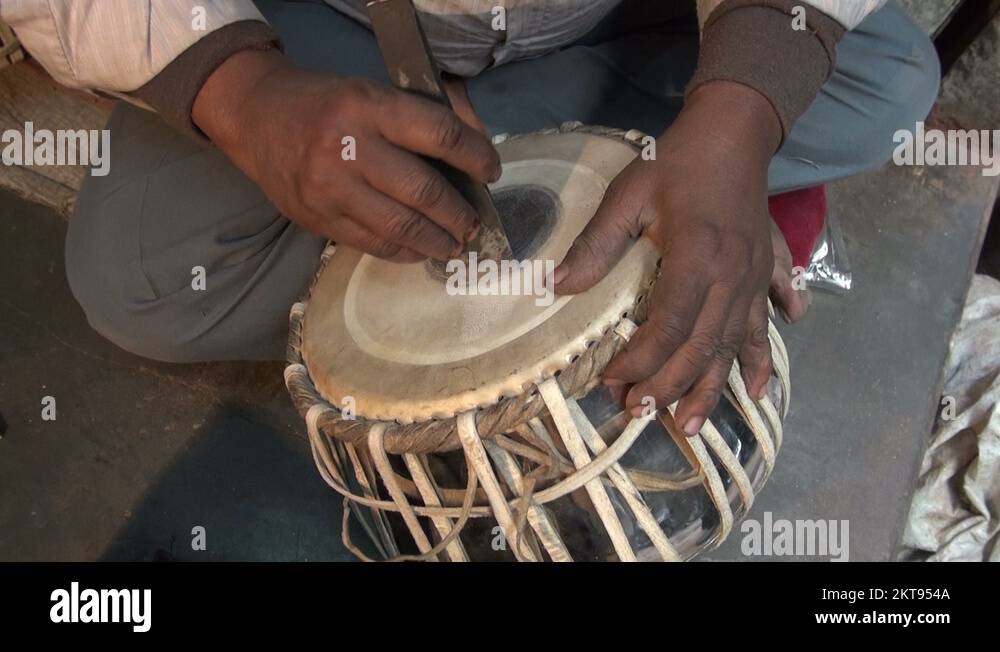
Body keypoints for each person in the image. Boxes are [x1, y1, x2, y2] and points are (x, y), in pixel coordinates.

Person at [3, 0, 939, 436]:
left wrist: (738, 116)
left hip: (622, 12)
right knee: (143, 277)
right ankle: (576, 144)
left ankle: (451, 129)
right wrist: (239, 94)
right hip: (321, 24)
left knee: (883, 82)